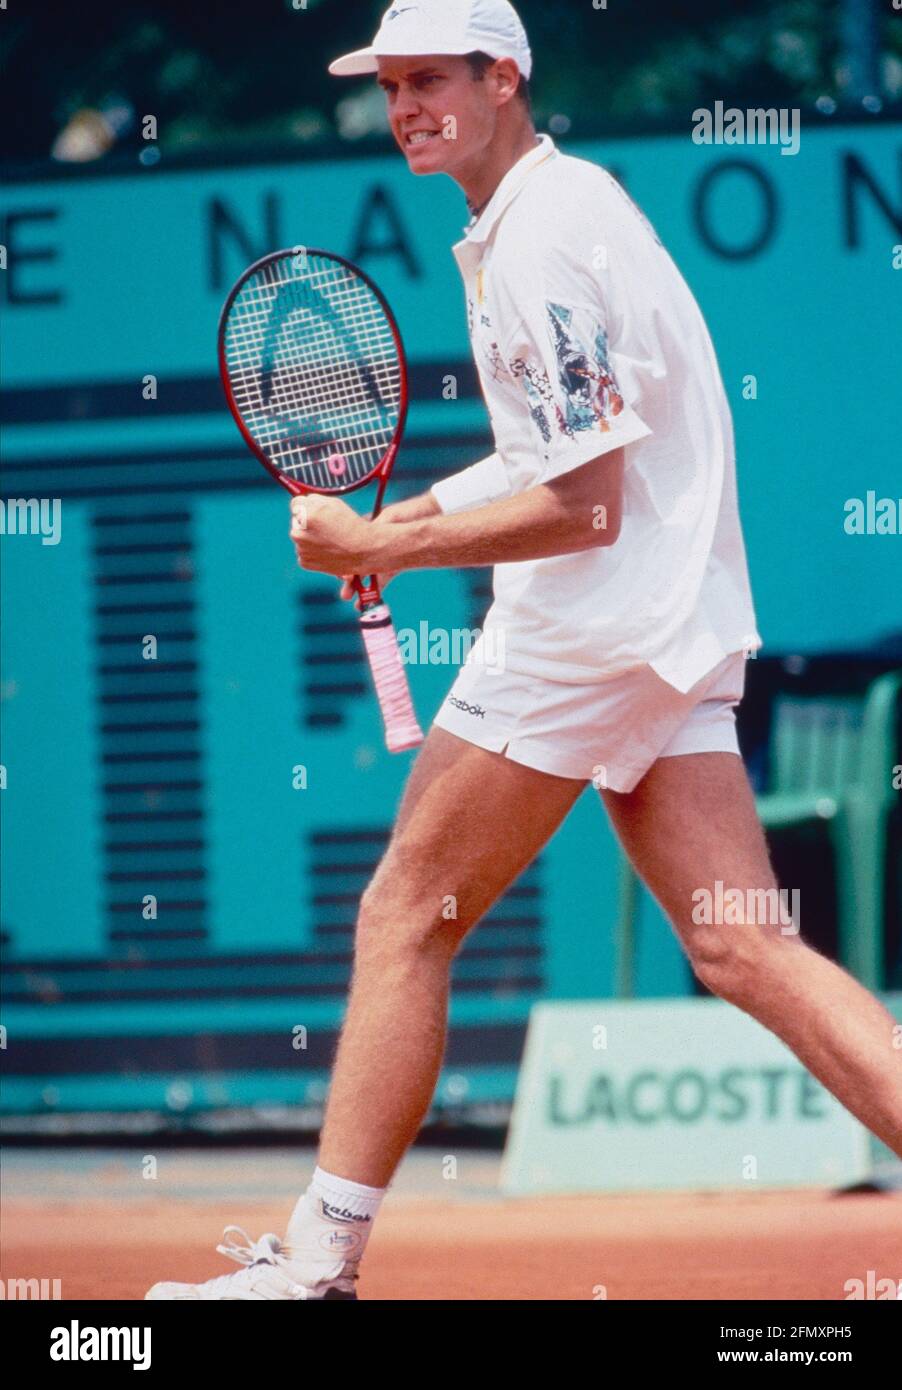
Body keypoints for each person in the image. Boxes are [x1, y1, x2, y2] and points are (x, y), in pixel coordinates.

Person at [146, 0, 902, 1300]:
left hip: (586, 627)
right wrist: (408, 520)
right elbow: (561, 447)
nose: (404, 111)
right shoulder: (551, 212)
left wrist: (372, 547)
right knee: (741, 946)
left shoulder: (544, 236)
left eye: (430, 80)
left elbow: (581, 504)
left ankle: (314, 1266)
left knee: (401, 914)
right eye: (388, 88)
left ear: (505, 76)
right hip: (671, 628)